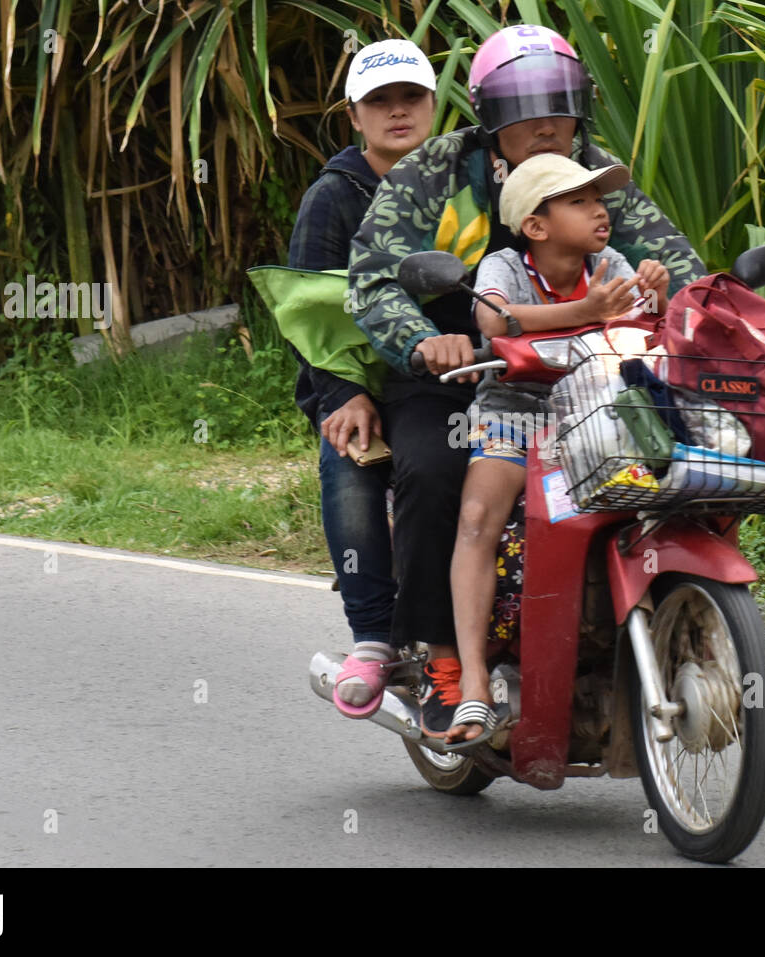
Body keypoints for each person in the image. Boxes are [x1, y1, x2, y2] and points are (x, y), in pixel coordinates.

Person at [348, 24, 706, 737]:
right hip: (460, 369)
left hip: (581, 374)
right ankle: (447, 662)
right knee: (433, 472)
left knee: (671, 466)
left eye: (560, 105)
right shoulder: (437, 171)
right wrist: (426, 342)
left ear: (583, 110)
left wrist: (691, 314)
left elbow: (678, 267)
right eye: (521, 109)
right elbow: (374, 278)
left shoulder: (597, 180)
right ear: (489, 119)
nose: (544, 124)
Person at [444, 153, 672, 742]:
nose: (600, 210)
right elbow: (493, 320)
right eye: (579, 201)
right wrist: (585, 311)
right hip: (515, 415)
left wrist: (659, 297)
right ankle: (473, 683)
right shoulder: (504, 264)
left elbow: (644, 328)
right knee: (477, 518)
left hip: (601, 412)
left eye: (600, 199)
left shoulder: (612, 262)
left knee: (674, 492)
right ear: (536, 226)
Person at [287, 38, 436, 718]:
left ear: (435, 105)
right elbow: (309, 313)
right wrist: (343, 394)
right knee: (351, 462)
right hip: (360, 382)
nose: (397, 112)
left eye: (411, 98)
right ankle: (373, 635)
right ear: (354, 115)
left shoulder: (466, 183)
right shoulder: (334, 198)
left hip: (456, 375)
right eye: (381, 101)